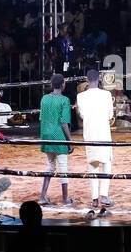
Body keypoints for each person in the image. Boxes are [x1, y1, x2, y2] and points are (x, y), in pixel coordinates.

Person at [76, 69, 114, 216]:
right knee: (106, 163)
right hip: (103, 133)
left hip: (90, 133)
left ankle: (94, 198)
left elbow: (82, 115)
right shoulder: (106, 94)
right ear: (99, 79)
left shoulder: (80, 96)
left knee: (93, 165)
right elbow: (110, 115)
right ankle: (104, 195)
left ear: (87, 80)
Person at [38, 73, 74, 206]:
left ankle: (43, 196)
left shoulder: (44, 98)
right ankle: (65, 198)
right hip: (59, 136)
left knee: (50, 165)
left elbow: (41, 118)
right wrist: (69, 142)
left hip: (46, 135)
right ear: (63, 84)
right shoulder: (64, 100)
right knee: (63, 166)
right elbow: (64, 123)